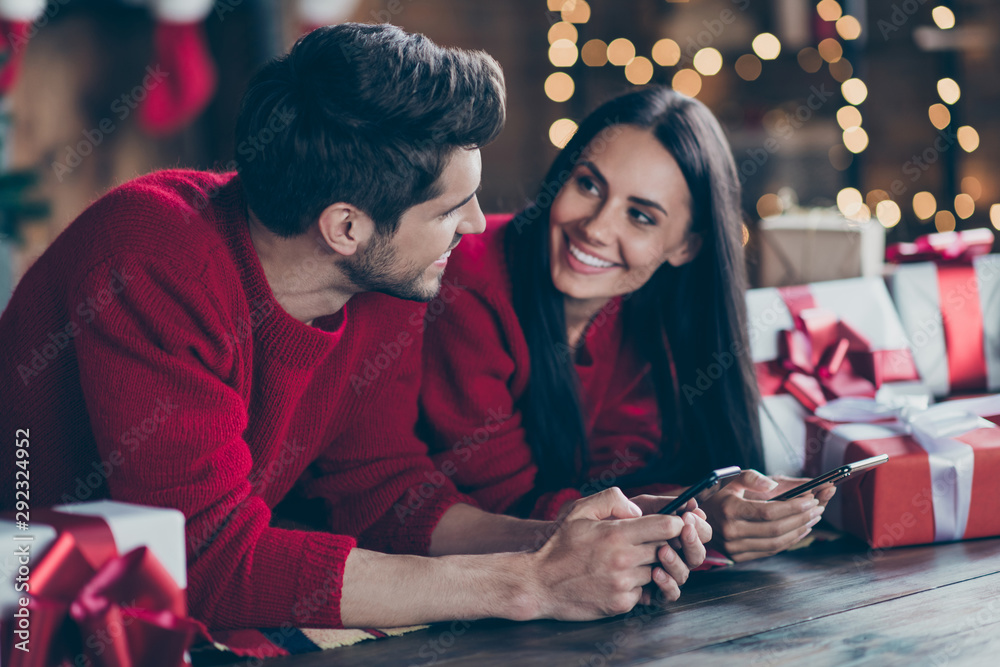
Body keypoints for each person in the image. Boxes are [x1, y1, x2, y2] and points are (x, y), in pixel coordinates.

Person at [0, 25, 712, 632]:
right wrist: (529, 584)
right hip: (30, 600)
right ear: (346, 227)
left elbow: (381, 489)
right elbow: (206, 560)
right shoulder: (154, 262)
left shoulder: (384, 278)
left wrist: (560, 542)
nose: (472, 229)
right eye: (449, 210)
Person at [419, 87, 835, 563]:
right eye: (589, 186)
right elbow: (506, 509)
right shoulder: (469, 276)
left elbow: (624, 479)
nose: (596, 228)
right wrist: (696, 520)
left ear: (686, 246)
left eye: (639, 216)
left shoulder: (651, 317)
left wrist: (723, 503)